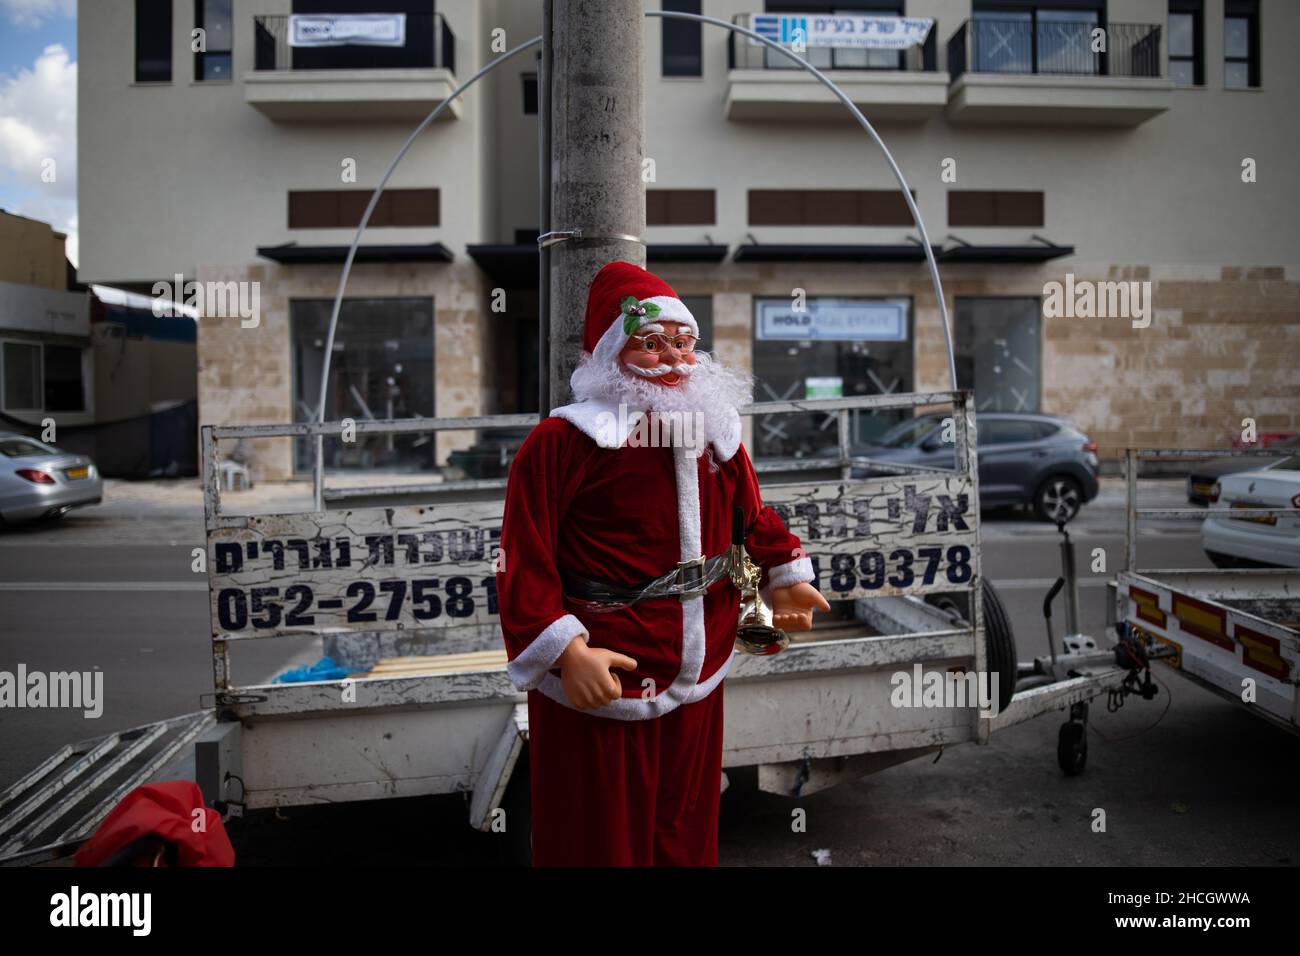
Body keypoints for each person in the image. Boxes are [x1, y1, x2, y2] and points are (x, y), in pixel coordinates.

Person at [496, 260, 828, 866]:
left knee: (686, 821)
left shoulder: (714, 428)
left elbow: (751, 515)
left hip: (700, 659)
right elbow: (524, 556)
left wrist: (786, 577)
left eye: (683, 343)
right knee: (597, 832)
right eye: (651, 345)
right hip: (606, 664)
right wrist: (564, 650)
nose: (674, 359)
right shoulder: (564, 442)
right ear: (612, 353)